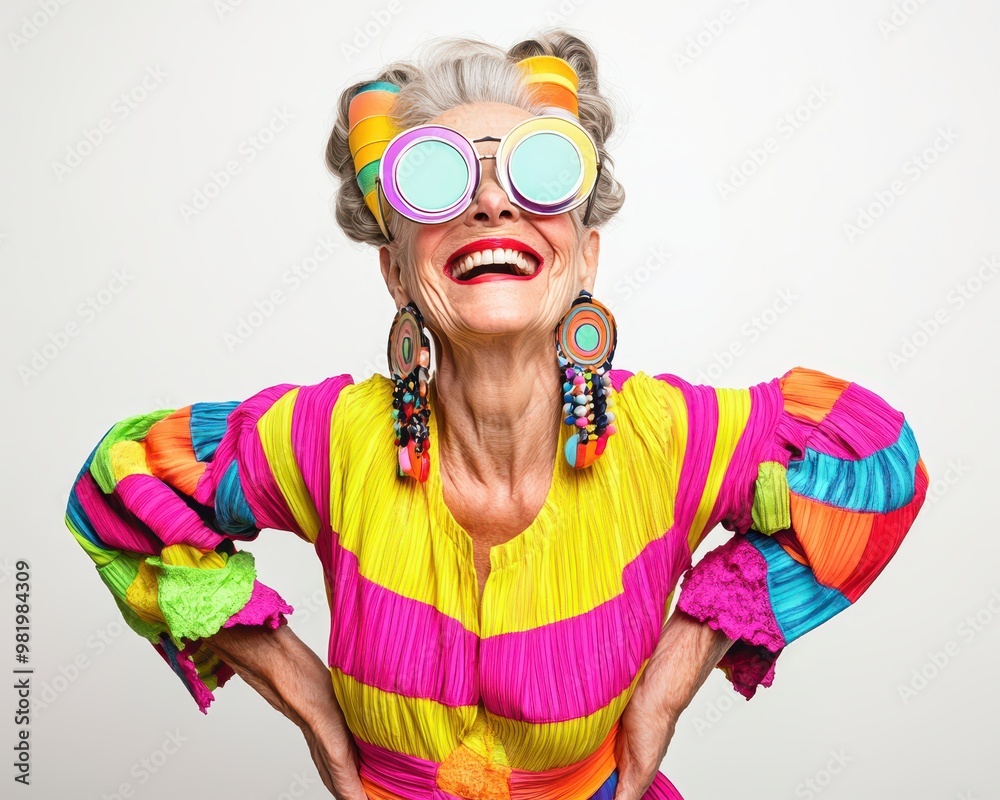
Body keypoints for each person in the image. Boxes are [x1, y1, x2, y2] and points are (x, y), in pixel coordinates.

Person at [63, 29, 929, 800]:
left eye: (536, 176)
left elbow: (876, 461)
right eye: (439, 182)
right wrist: (311, 705)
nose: (491, 204)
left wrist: (677, 670)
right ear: (396, 272)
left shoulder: (670, 442)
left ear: (585, 258)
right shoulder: (328, 442)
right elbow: (119, 486)